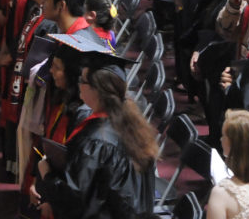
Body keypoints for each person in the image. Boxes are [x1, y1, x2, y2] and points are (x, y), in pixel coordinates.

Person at [34, 58, 159, 217]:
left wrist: (47, 176)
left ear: (97, 90)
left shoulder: (97, 142)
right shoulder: (130, 122)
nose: (79, 83)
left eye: (83, 80)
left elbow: (77, 200)